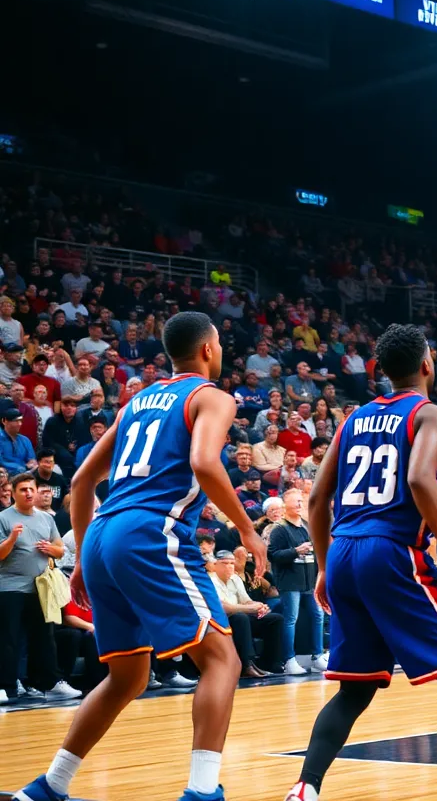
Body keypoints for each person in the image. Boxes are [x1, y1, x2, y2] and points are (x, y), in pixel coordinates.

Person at [14, 311, 267, 801]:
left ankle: (49, 785)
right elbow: (203, 462)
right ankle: (202, 792)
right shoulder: (211, 396)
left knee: (126, 676)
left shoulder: (136, 401)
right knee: (222, 660)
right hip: (152, 530)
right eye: (218, 345)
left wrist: (83, 557)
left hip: (103, 534)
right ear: (208, 349)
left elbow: (82, 481)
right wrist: (245, 528)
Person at [283, 323, 437, 801]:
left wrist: (326, 567)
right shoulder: (432, 414)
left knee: (355, 689)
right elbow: (419, 479)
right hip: (391, 550)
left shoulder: (353, 418)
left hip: (344, 550)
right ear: (427, 365)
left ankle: (305, 788)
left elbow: (316, 498)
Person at [0, 472, 78, 705]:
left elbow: (60, 549)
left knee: (44, 637)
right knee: (8, 639)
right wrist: (12, 538)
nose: (28, 493)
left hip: (41, 587)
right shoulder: (3, 518)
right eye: (23, 490)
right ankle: (5, 686)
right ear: (13, 493)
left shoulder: (46, 519)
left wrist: (51, 550)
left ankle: (47, 684)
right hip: (10, 588)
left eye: (31, 489)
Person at [269, 488, 324, 675]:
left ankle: (317, 656)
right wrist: (295, 551)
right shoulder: (279, 529)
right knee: (291, 619)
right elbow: (273, 555)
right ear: (286, 505)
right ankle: (289, 659)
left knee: (318, 616)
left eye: (301, 501)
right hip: (290, 581)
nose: (300, 504)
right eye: (296, 501)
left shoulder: (307, 526)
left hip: (310, 581)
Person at [208, 550, 283, 678]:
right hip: (220, 621)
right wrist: (250, 609)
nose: (230, 566)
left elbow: (246, 600)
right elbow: (223, 608)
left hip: (240, 617)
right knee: (241, 618)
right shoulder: (210, 580)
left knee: (275, 619)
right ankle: (247, 665)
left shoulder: (235, 578)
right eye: (225, 563)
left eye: (232, 563)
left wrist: (259, 606)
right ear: (215, 565)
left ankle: (271, 663)